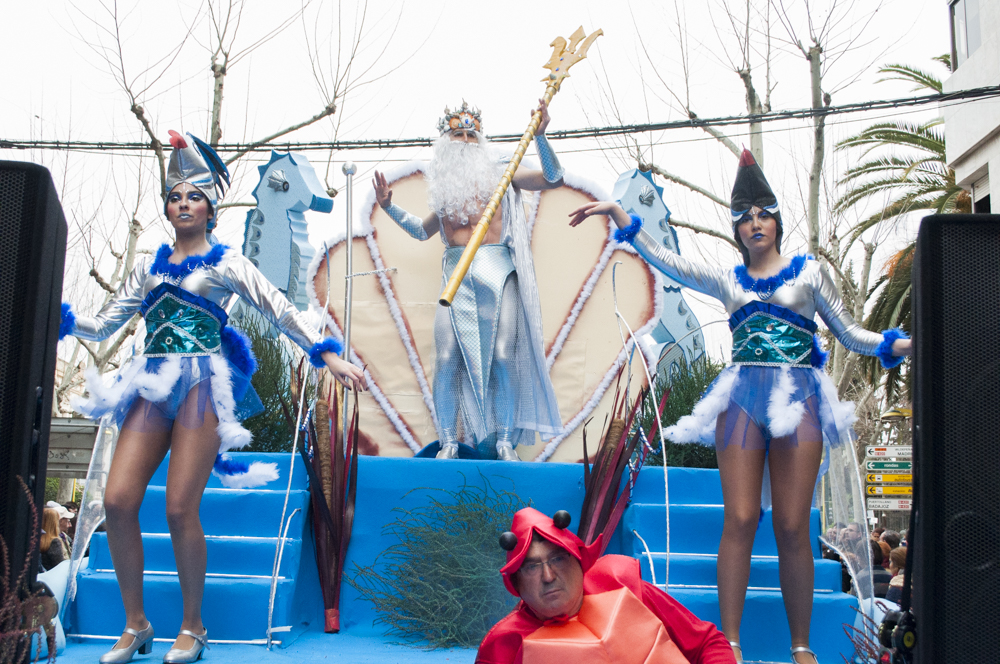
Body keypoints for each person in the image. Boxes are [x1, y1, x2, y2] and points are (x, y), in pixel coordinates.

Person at [567, 150, 912, 664]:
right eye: (745, 217)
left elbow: (849, 333)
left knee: (792, 525)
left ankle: (800, 646)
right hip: (743, 400)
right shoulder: (730, 281)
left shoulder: (810, 275)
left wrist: (904, 342)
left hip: (800, 399)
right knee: (741, 517)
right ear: (737, 229)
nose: (755, 223)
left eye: (763, 214)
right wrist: (621, 216)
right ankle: (727, 643)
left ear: (777, 221)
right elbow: (670, 263)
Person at [60, 131, 365, 664]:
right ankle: (136, 625)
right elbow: (105, 323)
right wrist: (58, 316)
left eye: (194, 196)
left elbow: (279, 310)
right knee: (118, 501)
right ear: (167, 208)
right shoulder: (148, 269)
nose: (183, 203)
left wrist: (326, 355)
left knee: (180, 507)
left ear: (210, 208)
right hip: (151, 381)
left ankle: (193, 626)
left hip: (201, 384)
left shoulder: (227, 264)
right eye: (175, 196)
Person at [372, 101, 563, 461]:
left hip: (498, 271)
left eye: (471, 135)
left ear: (481, 141)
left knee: (503, 356)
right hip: (455, 278)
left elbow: (553, 178)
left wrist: (540, 136)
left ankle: (504, 442)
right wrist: (388, 207)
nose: (464, 141)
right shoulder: (446, 191)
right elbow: (421, 230)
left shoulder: (503, 171)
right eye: (457, 134)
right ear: (445, 142)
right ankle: (448, 443)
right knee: (446, 358)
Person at [477, 508, 735, 664]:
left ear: (580, 561)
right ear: (516, 584)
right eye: (532, 567)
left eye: (558, 558)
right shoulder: (505, 644)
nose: (548, 576)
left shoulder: (622, 586)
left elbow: (708, 642)